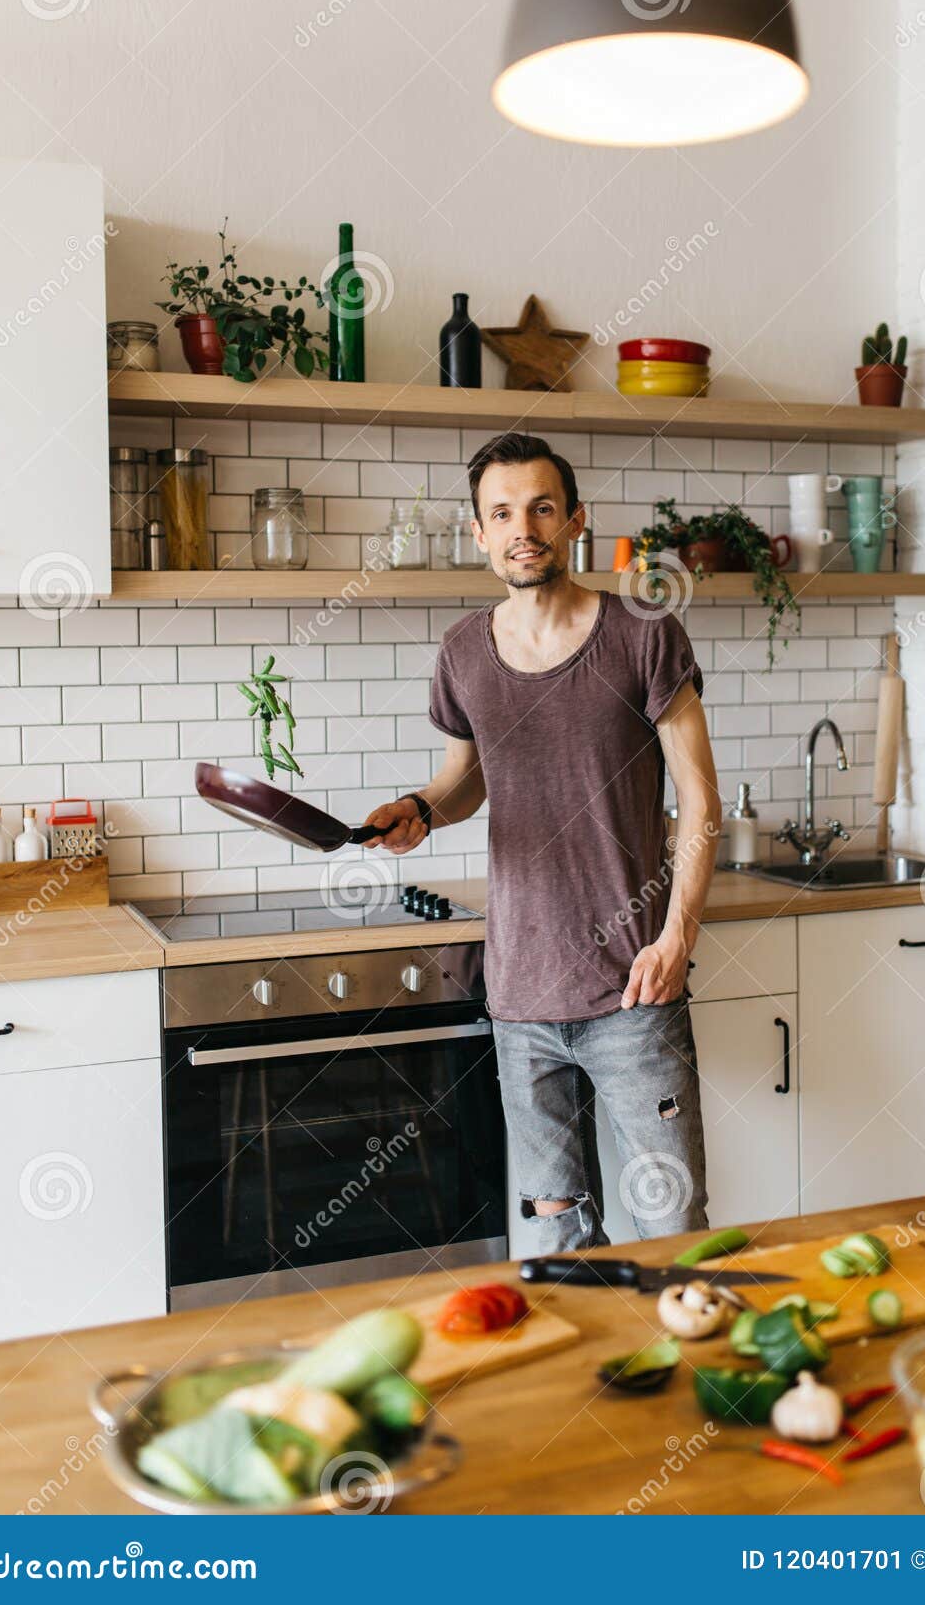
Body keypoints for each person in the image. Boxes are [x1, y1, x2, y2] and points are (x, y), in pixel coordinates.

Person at [364, 431, 722, 1250]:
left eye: (540, 507)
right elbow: (467, 782)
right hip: (519, 990)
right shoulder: (462, 651)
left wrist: (677, 936)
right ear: (479, 534)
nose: (522, 526)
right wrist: (418, 805)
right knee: (553, 1239)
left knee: (670, 1226)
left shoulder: (642, 632)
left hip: (632, 985)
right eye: (501, 512)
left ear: (574, 522)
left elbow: (700, 798)